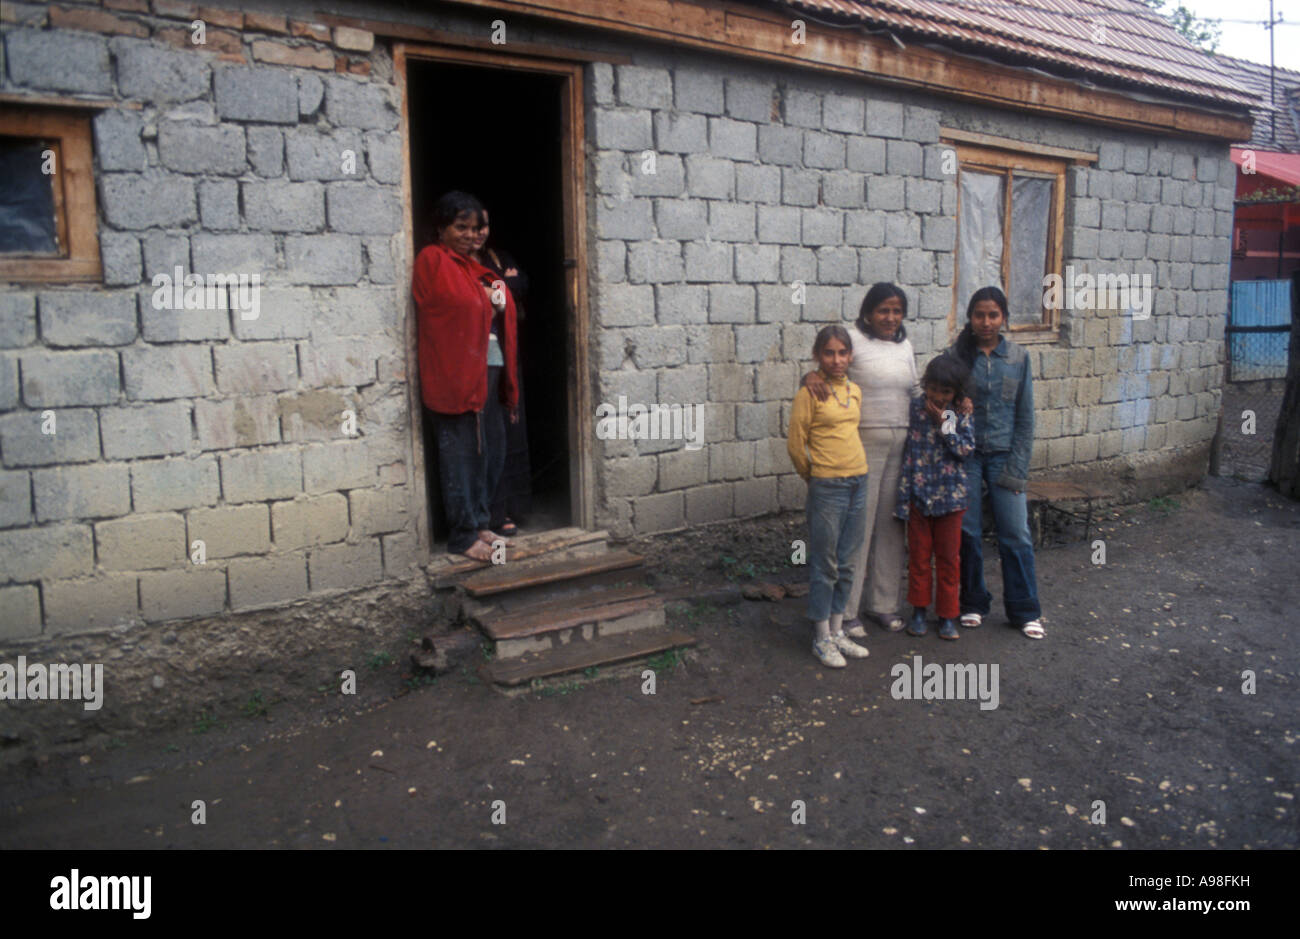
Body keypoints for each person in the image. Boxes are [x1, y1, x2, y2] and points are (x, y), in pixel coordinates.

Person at [801, 283, 918, 636]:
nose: (890, 317)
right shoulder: (853, 340)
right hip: (862, 447)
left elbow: (913, 390)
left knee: (892, 527)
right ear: (868, 312)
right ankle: (846, 612)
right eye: (883, 310)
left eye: (897, 311)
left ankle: (883, 605)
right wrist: (807, 376)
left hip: (901, 446)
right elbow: (826, 371)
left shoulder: (905, 346)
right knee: (857, 531)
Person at [411, 191, 519, 561]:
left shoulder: (471, 265)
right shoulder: (433, 260)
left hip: (484, 366)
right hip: (455, 373)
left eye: (476, 228)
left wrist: (490, 298)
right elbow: (448, 305)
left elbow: (499, 297)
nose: (471, 234)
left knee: (484, 449)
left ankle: (479, 523)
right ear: (441, 228)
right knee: (459, 452)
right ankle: (461, 535)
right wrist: (486, 300)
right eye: (461, 227)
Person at [949, 286, 1045, 639]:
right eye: (979, 315)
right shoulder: (956, 356)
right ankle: (973, 602)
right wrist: (951, 439)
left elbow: (1026, 418)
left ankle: (1025, 610)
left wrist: (1018, 468)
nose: (986, 322)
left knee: (1015, 533)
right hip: (967, 457)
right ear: (970, 318)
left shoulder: (1018, 358)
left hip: (1005, 456)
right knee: (968, 531)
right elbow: (942, 408)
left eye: (993, 315)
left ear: (1004, 317)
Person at [787, 325, 872, 668]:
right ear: (817, 356)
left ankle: (838, 631)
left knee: (849, 560)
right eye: (829, 353)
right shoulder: (809, 393)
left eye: (842, 353)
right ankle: (821, 637)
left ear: (851, 356)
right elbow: (796, 444)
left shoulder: (854, 390)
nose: (837, 360)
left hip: (859, 480)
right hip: (828, 486)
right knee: (826, 564)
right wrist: (816, 475)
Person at [895, 354, 975, 640]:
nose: (938, 396)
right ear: (926, 385)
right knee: (918, 557)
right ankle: (918, 610)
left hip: (951, 500)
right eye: (934, 389)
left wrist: (945, 424)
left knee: (948, 559)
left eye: (946, 391)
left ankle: (947, 615)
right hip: (920, 497)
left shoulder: (958, 412)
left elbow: (965, 450)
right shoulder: (916, 408)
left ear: (957, 393)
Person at [470, 208, 532, 537]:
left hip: (506, 352)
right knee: (485, 435)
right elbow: (492, 296)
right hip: (473, 356)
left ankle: (512, 508)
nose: (478, 233)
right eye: (469, 226)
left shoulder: (498, 255)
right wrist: (503, 286)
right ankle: (491, 515)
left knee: (511, 426)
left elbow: (519, 284)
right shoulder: (457, 264)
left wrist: (503, 289)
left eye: (483, 226)